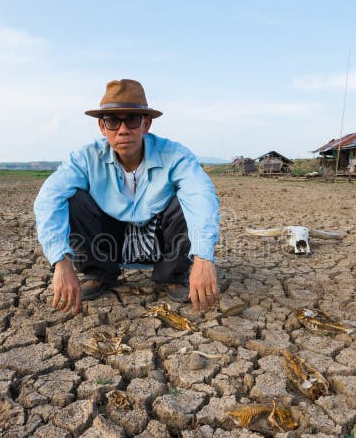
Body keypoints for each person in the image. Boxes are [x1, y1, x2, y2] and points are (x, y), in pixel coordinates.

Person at [34, 79, 220, 315]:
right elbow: (49, 198)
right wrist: (61, 262)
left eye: (132, 119)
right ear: (102, 127)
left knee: (186, 200)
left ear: (146, 124)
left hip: (158, 238)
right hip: (110, 240)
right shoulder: (85, 158)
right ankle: (99, 273)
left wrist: (203, 258)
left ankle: (173, 275)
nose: (123, 130)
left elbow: (202, 196)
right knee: (73, 199)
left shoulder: (175, 155)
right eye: (112, 121)